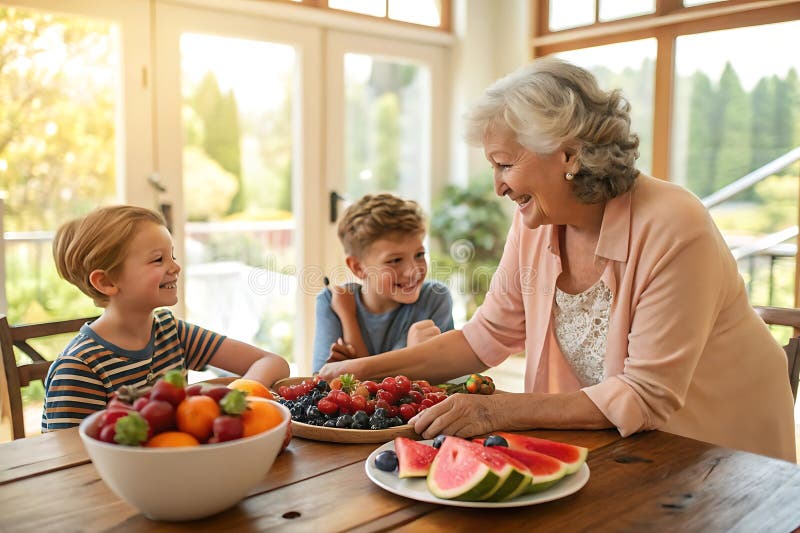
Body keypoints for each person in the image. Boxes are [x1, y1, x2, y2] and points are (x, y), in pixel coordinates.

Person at [320, 58, 797, 461]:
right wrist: (366, 369)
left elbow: (645, 395)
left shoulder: (674, 223)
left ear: (568, 154)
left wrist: (497, 409)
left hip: (723, 449)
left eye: (505, 164)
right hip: (631, 446)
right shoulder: (535, 222)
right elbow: (486, 336)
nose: (498, 186)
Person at [42, 205, 290, 431]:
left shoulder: (172, 332)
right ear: (107, 281)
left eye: (172, 255)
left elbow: (272, 362)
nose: (175, 267)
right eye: (158, 259)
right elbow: (69, 464)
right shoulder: (79, 367)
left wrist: (235, 399)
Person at [311, 193, 454, 373]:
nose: (413, 271)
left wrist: (348, 321)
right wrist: (409, 357)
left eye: (419, 255)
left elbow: (403, 383)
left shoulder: (434, 298)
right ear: (357, 267)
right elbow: (321, 380)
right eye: (394, 260)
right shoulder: (331, 300)